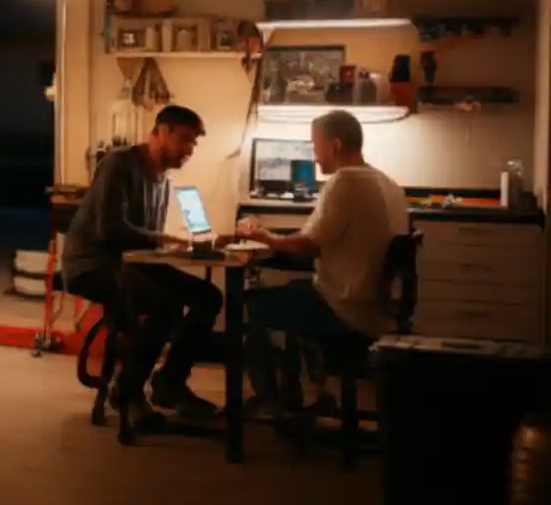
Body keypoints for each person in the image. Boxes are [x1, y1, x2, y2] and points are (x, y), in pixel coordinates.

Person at [237, 110, 409, 416]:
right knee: (293, 292)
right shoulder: (388, 183)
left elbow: (307, 244)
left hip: (346, 308)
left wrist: (261, 235)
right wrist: (277, 241)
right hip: (377, 307)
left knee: (254, 304)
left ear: (336, 145)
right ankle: (307, 389)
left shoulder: (345, 181)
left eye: (316, 145)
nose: (314, 155)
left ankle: (275, 400)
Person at [62, 105, 225, 427]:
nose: (189, 150)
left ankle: (170, 383)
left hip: (133, 264)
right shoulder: (119, 163)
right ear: (161, 131)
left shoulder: (163, 178)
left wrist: (184, 246)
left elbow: (144, 242)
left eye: (194, 144)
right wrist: (168, 240)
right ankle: (128, 391)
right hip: (93, 265)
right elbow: (109, 230)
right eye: (184, 140)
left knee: (209, 296)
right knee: (165, 304)